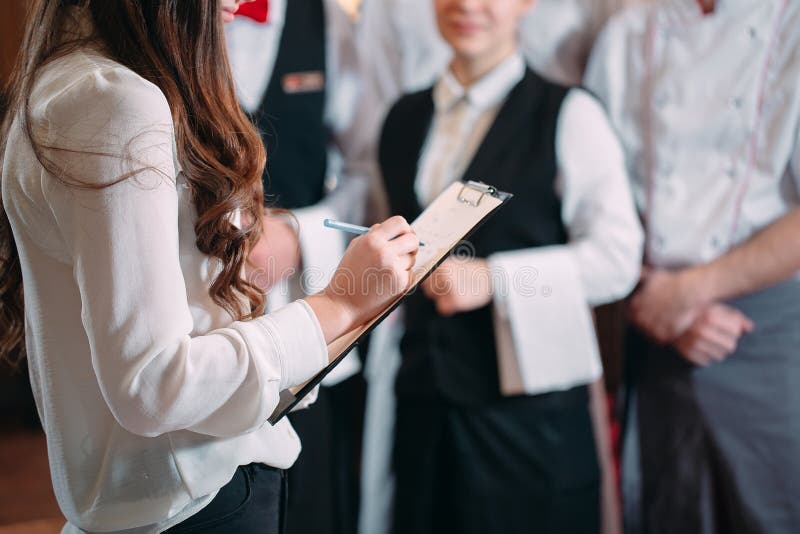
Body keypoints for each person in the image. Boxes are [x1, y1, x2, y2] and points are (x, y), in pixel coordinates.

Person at [0, 0, 418, 532]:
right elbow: (154, 384)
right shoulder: (119, 104)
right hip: (197, 502)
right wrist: (338, 304)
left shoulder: (71, 81)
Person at [357, 1, 644, 532]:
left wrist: (495, 279)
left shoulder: (569, 113)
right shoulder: (401, 118)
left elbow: (618, 257)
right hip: (420, 408)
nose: (467, 5)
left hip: (530, 424)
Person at [584, 0, 800, 531]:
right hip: (653, 329)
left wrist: (689, 293)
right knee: (667, 512)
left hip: (768, 336)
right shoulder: (629, 29)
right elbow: (593, 194)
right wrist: (652, 299)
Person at [225, 3, 375, 533]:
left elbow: (364, 166)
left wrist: (297, 235)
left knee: (308, 500)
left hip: (305, 316)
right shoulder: (159, 22)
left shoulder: (328, 21)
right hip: (195, 316)